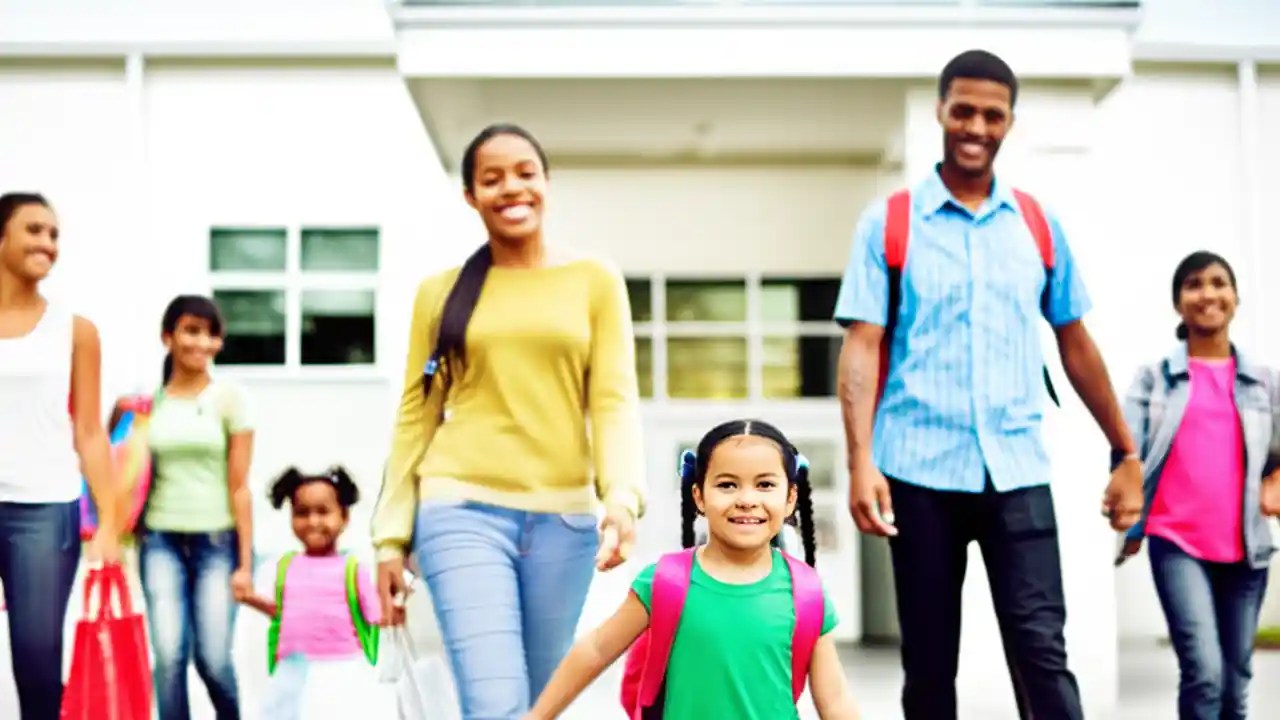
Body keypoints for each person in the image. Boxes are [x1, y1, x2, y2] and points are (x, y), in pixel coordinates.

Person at [833, 49, 1145, 720]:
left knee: (1041, 651)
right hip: (916, 472)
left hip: (1017, 467)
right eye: (963, 110)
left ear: (1009, 122)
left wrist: (1125, 451)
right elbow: (860, 346)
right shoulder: (889, 222)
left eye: (992, 114)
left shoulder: (1035, 224)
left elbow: (1075, 343)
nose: (976, 125)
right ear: (942, 110)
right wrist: (860, 461)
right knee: (929, 662)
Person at [372, 123, 646, 719]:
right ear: (470, 195)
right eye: (491, 178)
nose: (511, 188)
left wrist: (622, 496)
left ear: (546, 182)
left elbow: (614, 399)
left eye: (525, 172)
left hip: (565, 521)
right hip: (460, 509)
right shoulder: (440, 293)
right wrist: (390, 534)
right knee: (495, 703)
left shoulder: (594, 280)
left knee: (538, 706)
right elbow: (415, 416)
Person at [525, 419, 859, 720]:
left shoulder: (807, 592)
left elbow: (835, 702)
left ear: (790, 498)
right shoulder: (666, 580)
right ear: (699, 496)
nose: (746, 499)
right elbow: (596, 649)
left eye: (765, 485)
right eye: (727, 485)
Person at [1118, 251, 1280, 720]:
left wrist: (1275, 479)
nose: (1207, 293)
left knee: (1235, 684)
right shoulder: (1155, 380)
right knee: (1204, 673)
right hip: (1177, 543)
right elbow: (1127, 453)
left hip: (1247, 550)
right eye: (1193, 284)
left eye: (1217, 283)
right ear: (1177, 304)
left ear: (1235, 298)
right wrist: (1126, 507)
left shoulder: (1265, 384)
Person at [0, 191, 120, 720]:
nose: (47, 243)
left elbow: (90, 431)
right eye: (34, 230)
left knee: (38, 662)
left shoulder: (76, 331)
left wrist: (111, 524)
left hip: (43, 511)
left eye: (53, 234)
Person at [139, 294, 256, 720]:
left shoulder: (230, 399)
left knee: (212, 659)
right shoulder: (147, 404)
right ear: (168, 337)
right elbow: (125, 473)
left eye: (209, 333)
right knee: (169, 656)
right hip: (160, 542)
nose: (200, 342)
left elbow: (240, 486)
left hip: (217, 544)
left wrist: (244, 564)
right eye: (190, 331)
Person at [244, 465, 393, 720]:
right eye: (302, 513)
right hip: (291, 670)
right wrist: (248, 598)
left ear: (344, 517)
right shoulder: (283, 566)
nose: (313, 521)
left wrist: (395, 607)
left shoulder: (353, 569)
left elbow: (376, 616)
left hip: (341, 670)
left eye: (323, 512)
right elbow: (279, 611)